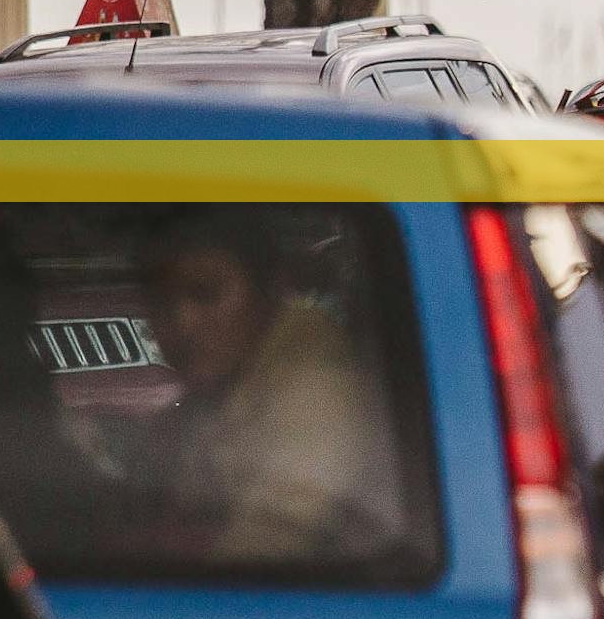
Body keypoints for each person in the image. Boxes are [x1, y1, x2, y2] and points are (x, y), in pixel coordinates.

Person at [145, 211, 409, 573]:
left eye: (205, 294)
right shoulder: (224, 386)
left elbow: (269, 543)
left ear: (269, 291)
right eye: (159, 303)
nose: (180, 323)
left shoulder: (314, 386)